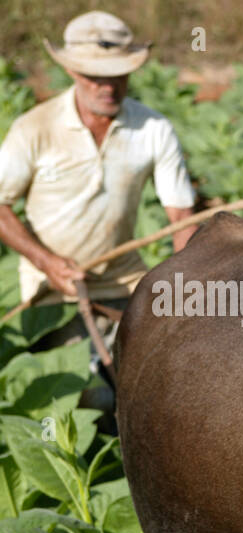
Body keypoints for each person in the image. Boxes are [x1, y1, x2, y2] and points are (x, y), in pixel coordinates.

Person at [0, 10, 197, 396]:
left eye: (118, 75)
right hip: (52, 292)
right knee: (93, 397)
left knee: (163, 390)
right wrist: (48, 263)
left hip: (127, 286)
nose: (108, 87)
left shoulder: (153, 129)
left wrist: (186, 286)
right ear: (72, 72)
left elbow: (181, 216)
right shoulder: (35, 128)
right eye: (96, 77)